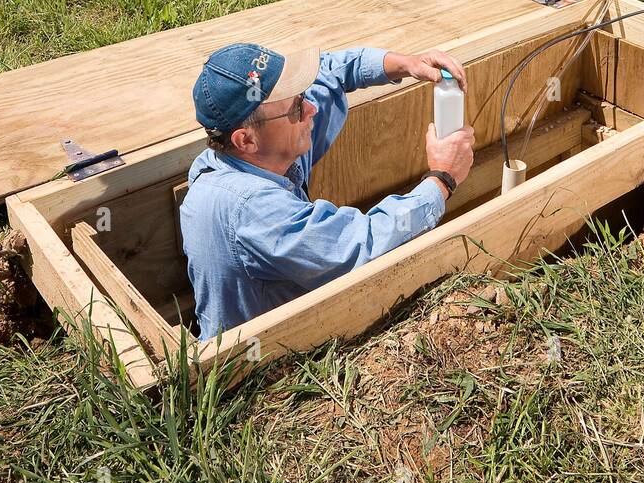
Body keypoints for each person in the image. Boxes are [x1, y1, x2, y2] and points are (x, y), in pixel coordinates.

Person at [180, 41, 475, 341]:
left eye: (301, 96)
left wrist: (404, 62)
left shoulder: (254, 154)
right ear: (246, 141)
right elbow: (363, 244)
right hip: (265, 370)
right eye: (296, 107)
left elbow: (330, 71)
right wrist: (442, 179)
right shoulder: (253, 210)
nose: (311, 108)